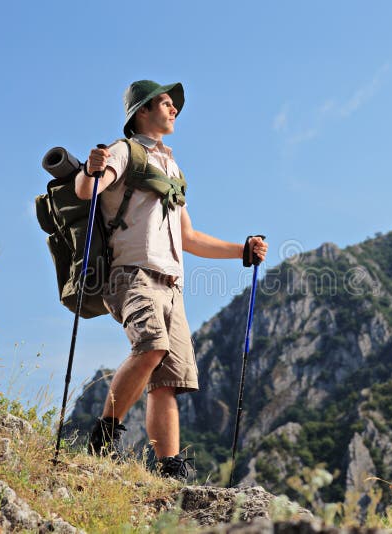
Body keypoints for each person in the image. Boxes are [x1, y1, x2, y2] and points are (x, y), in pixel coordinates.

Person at [74, 80, 268, 481]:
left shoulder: (173, 169)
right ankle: (103, 435)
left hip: (172, 285)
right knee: (151, 346)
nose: (174, 108)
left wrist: (243, 251)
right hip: (132, 273)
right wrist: (90, 170)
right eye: (165, 103)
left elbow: (189, 237)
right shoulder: (124, 151)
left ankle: (170, 468)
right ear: (142, 111)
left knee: (169, 380)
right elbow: (86, 190)